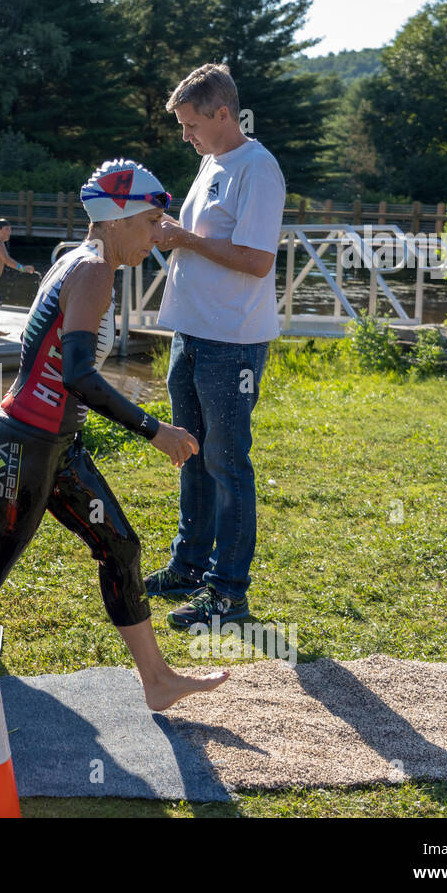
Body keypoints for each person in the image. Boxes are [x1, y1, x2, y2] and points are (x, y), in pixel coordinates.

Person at [0, 159, 229, 740]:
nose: (159, 235)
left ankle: (157, 679)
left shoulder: (79, 261)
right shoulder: (94, 270)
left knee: (120, 545)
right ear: (120, 219)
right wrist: (157, 430)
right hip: (22, 451)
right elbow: (76, 373)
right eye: (153, 222)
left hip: (57, 447)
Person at [144, 64, 286, 630]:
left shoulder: (259, 168)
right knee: (191, 454)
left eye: (191, 124)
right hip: (192, 333)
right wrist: (169, 226)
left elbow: (256, 261)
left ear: (223, 114)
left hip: (233, 342)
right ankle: (188, 565)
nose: (186, 135)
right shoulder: (211, 162)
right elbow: (207, 241)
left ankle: (228, 595)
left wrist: (183, 238)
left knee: (227, 465)